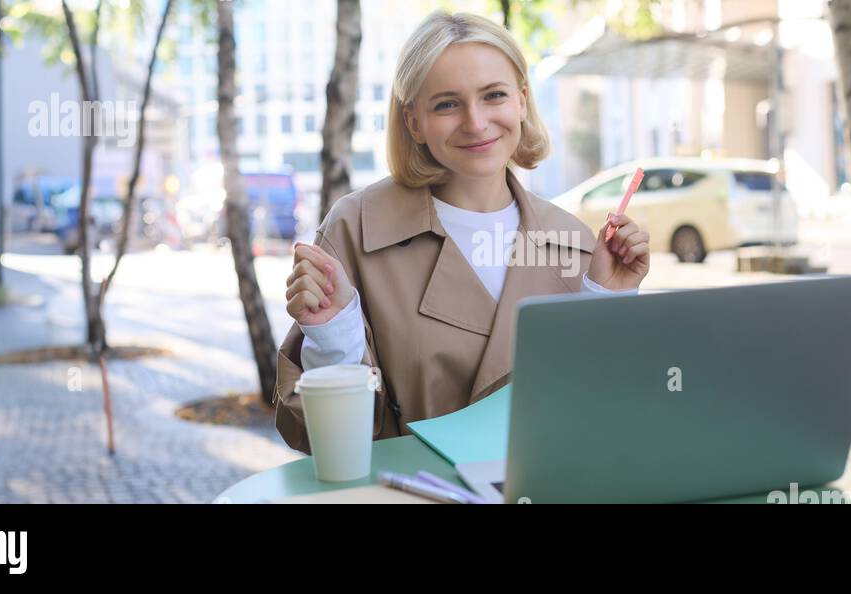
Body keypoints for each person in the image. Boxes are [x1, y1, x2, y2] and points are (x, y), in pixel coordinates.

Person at [274, 10, 651, 454]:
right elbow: (318, 438)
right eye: (447, 104)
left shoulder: (576, 242)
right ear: (413, 121)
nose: (475, 122)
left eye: (494, 95)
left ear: (522, 101)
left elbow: (599, 416)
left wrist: (607, 300)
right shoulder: (354, 229)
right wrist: (334, 336)